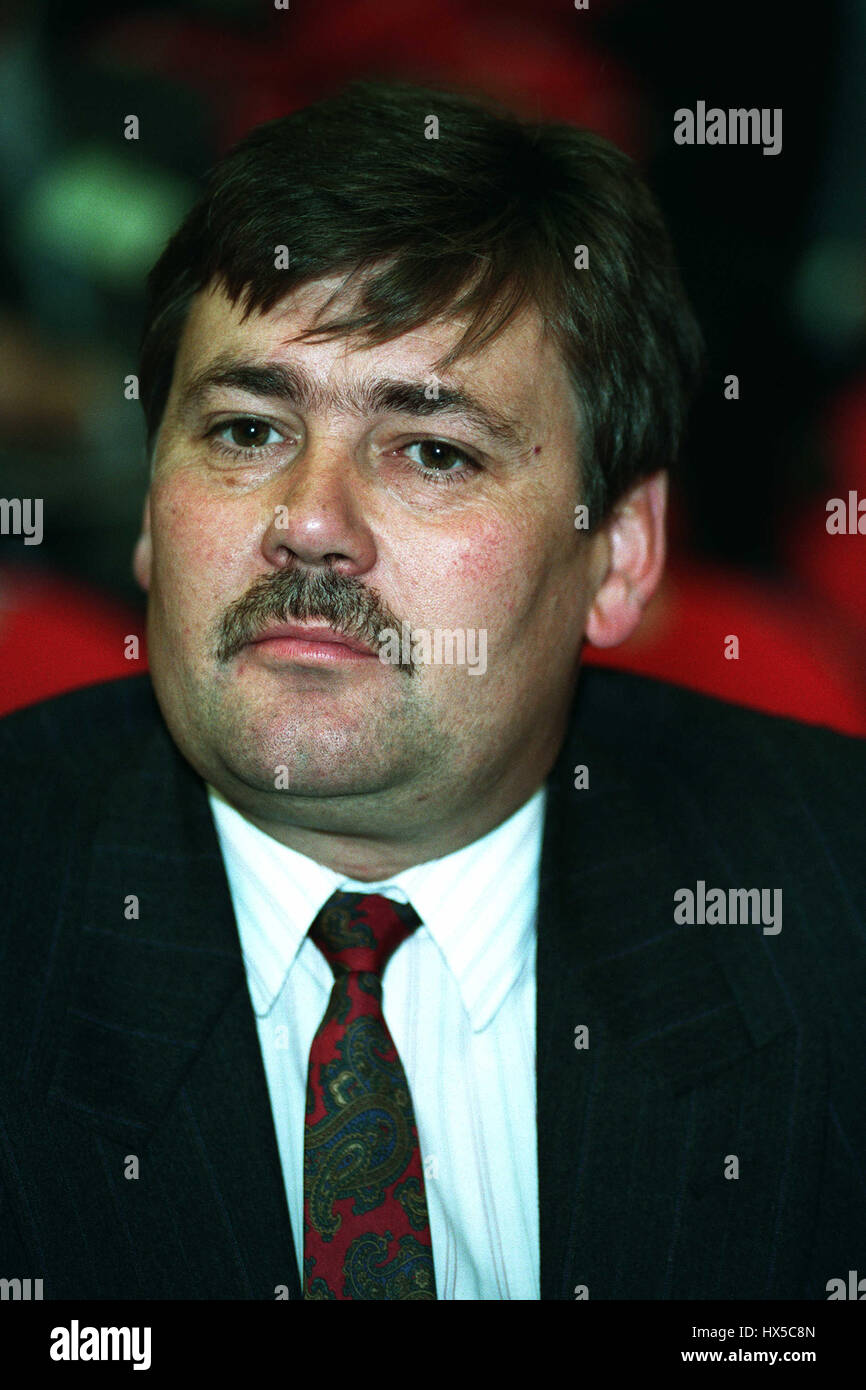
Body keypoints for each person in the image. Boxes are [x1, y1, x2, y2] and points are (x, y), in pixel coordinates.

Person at [1, 79, 864, 1303]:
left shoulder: (831, 905)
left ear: (615, 555)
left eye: (431, 450)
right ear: (149, 511)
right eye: (247, 431)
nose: (308, 522)